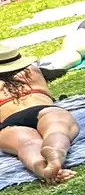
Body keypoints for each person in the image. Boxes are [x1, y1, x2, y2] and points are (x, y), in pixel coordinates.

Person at [0, 41, 80, 183]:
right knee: (57, 131)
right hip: (43, 109)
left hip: (9, 121)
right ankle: (55, 152)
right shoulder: (33, 71)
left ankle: (42, 169)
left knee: (27, 145)